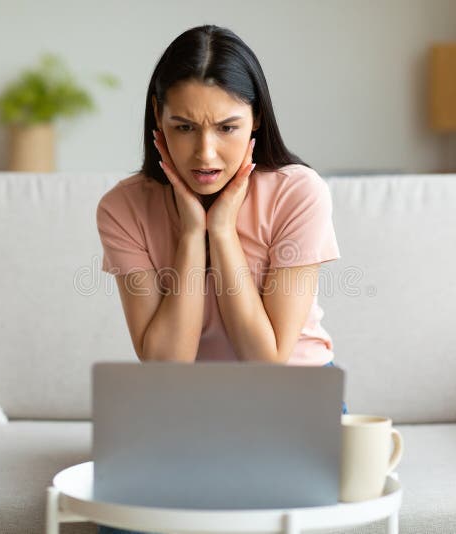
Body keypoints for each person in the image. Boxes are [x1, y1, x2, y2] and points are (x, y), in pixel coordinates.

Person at [95, 24, 346, 534]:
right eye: (184, 127)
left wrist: (223, 231)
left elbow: (268, 361)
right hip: (185, 402)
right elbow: (166, 363)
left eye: (227, 128)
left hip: (293, 395)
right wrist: (192, 235)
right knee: (127, 519)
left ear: (256, 122)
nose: (205, 154)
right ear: (157, 124)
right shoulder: (123, 207)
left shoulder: (298, 193)